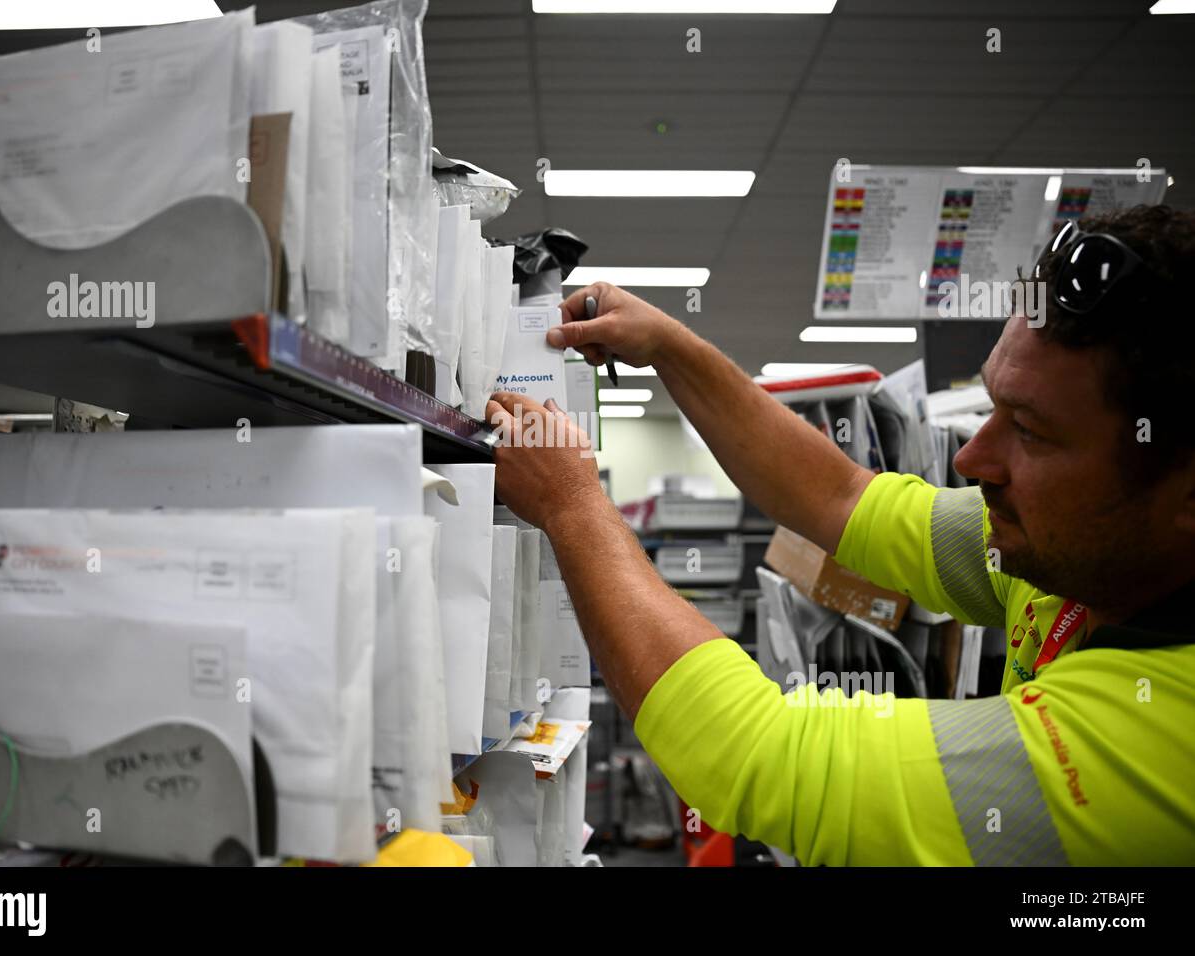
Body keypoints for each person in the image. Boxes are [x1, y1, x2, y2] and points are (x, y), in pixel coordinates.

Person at [486, 204, 1195, 865]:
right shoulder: (1067, 555)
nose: (972, 460)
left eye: (1033, 434)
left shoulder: (1156, 743)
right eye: (993, 408)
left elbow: (752, 753)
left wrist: (573, 504)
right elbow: (843, 496)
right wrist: (672, 349)